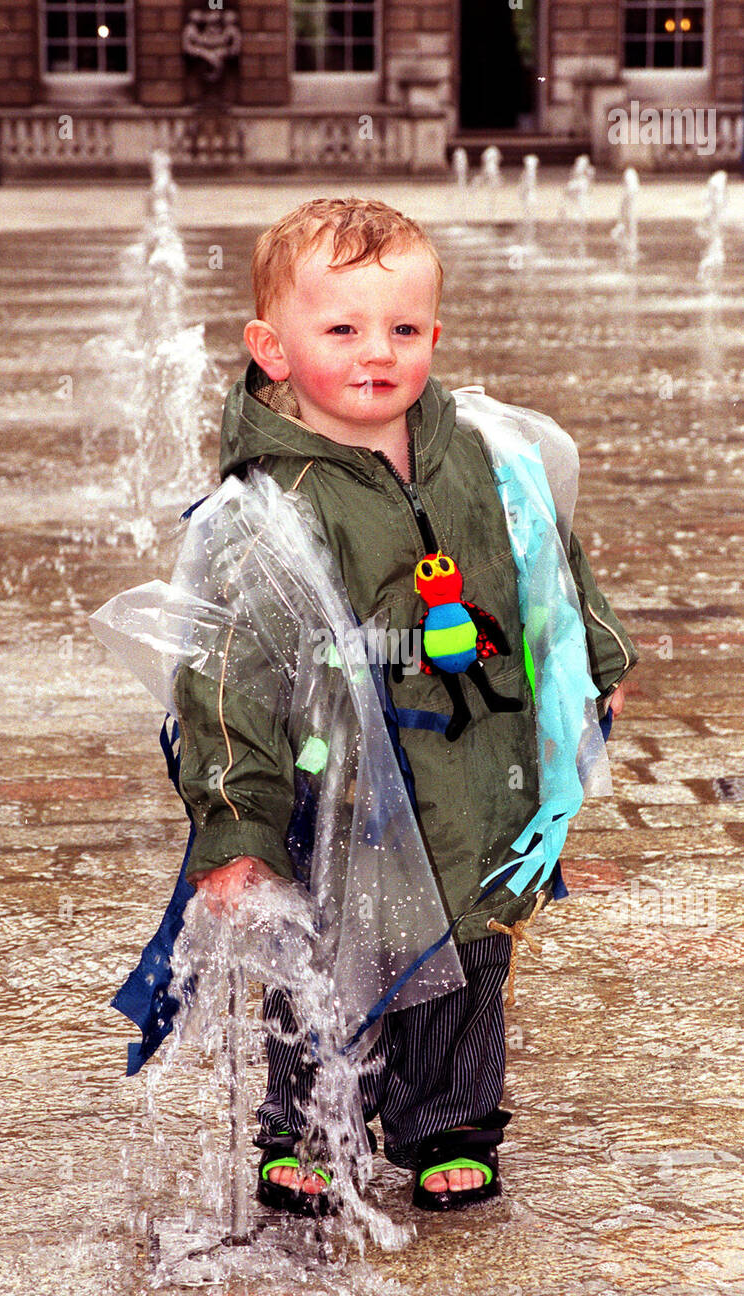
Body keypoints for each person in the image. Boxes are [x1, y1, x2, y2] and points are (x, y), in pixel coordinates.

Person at [173, 197, 637, 1216]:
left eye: (403, 329)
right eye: (340, 329)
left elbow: (545, 561)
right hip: (333, 779)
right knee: (329, 951)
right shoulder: (266, 503)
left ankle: (449, 1121)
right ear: (274, 347)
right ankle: (306, 1121)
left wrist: (592, 658)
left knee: (469, 950)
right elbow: (223, 680)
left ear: (435, 333)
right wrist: (236, 821)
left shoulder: (481, 449)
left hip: (472, 760)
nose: (375, 354)